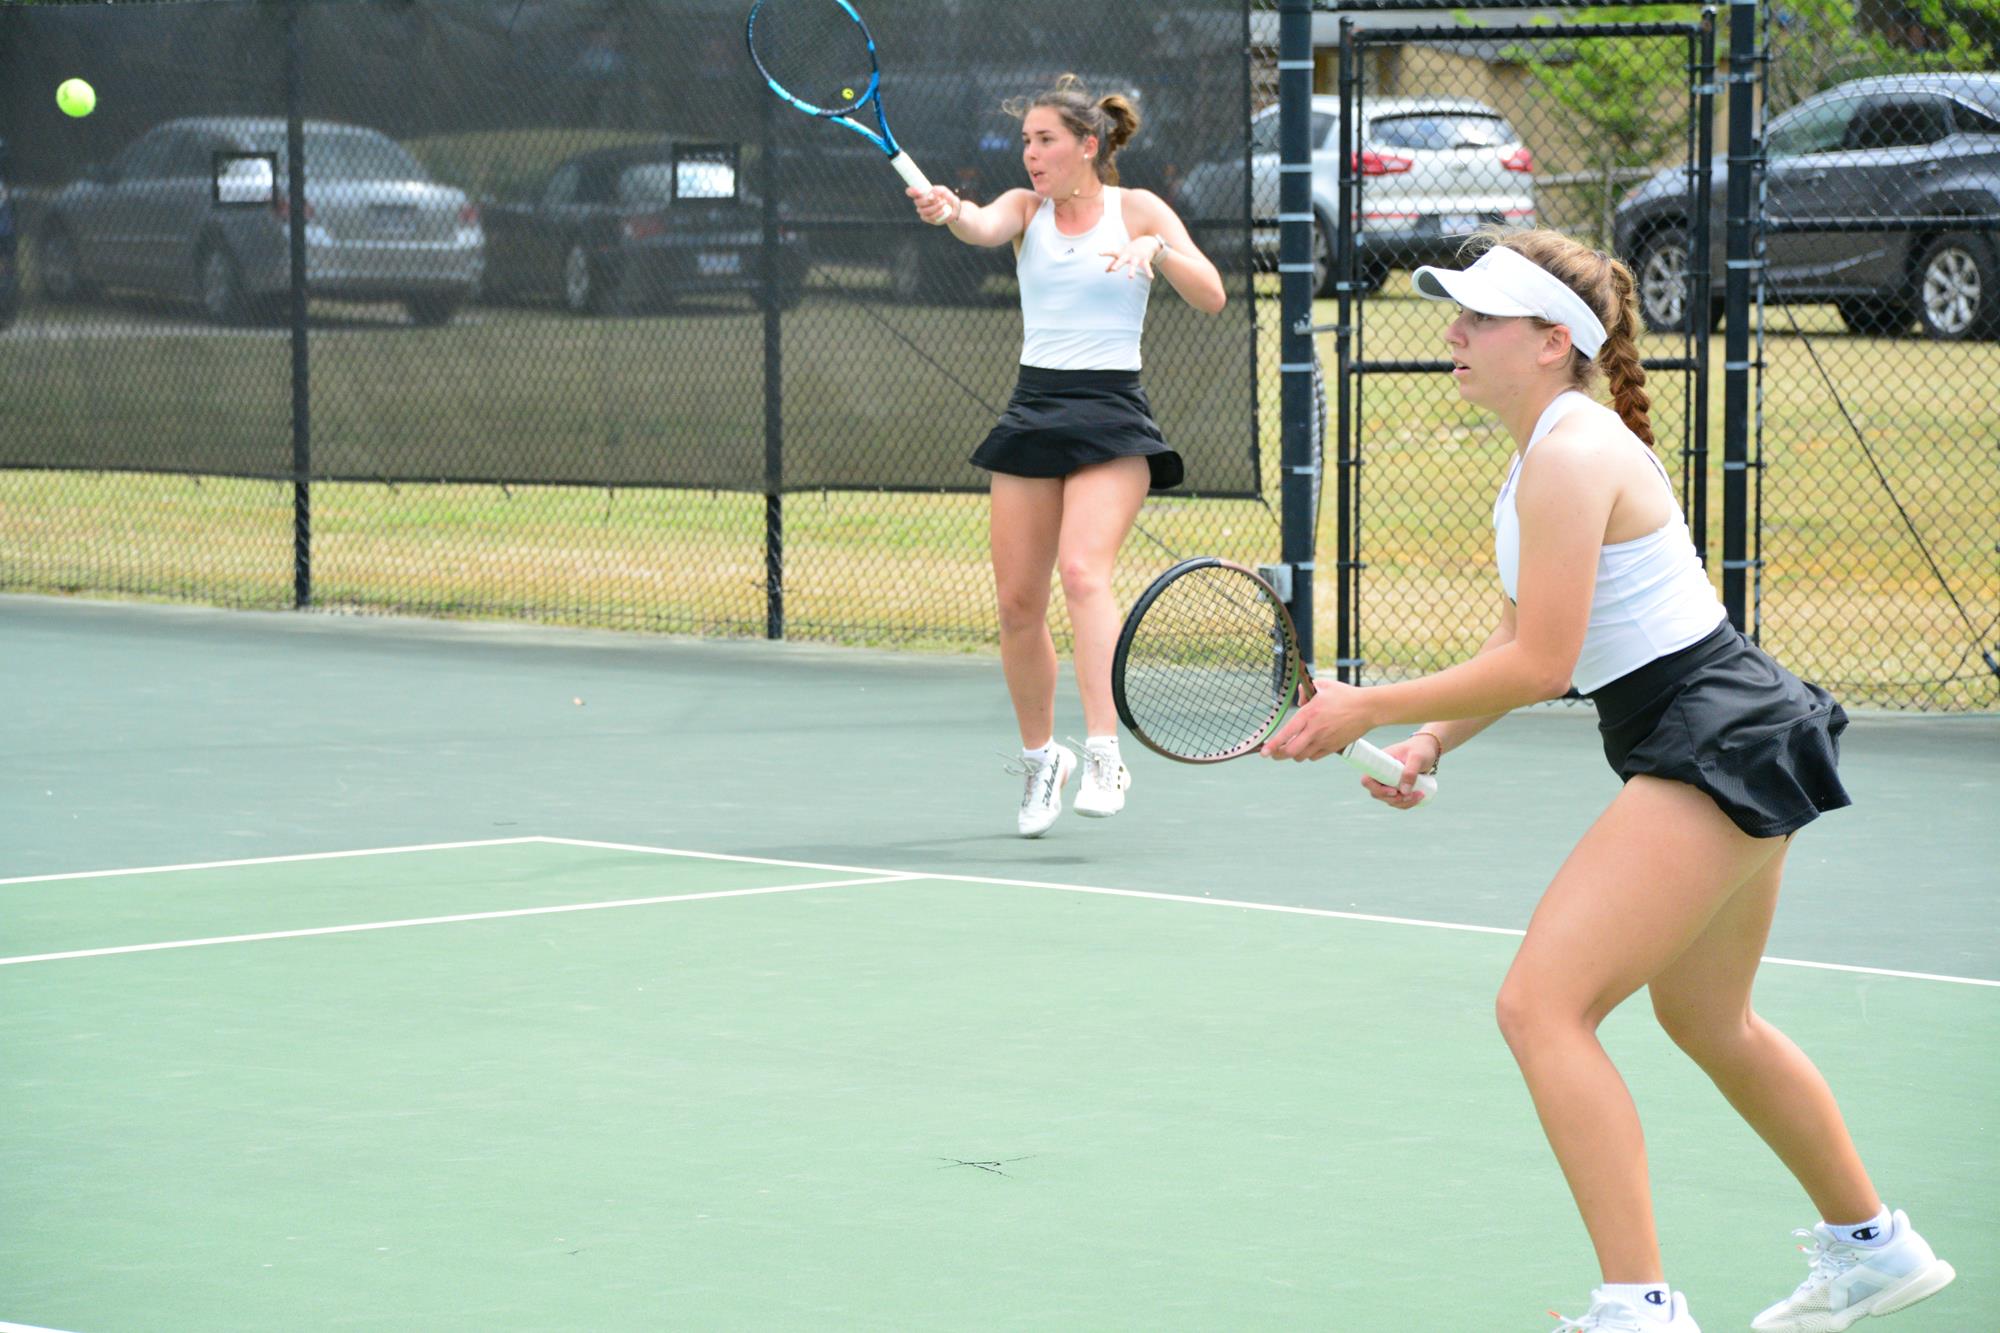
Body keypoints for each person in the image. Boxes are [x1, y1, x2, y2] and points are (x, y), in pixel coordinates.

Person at [1261, 228, 1957, 1332]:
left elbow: (1540, 662)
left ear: (1550, 342)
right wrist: (1431, 739)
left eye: (1479, 319)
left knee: (1539, 1006)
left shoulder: (1574, 454)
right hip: (1727, 727)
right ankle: (1873, 1248)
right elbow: (1524, 643)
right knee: (1707, 1018)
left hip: (1709, 734)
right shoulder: (1541, 454)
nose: (1452, 332)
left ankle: (1637, 1307)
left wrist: (1365, 704)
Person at [905, 73, 1226, 839]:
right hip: (1035, 409)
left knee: (1084, 574)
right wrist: (947, 209)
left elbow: (1211, 293)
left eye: (1046, 140)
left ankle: (1106, 750)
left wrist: (1156, 250)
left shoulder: (1139, 208)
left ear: (1089, 146)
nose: (1031, 154)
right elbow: (978, 225)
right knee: (1018, 604)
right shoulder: (1025, 211)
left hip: (1113, 413)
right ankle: (1042, 756)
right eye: (1025, 142)